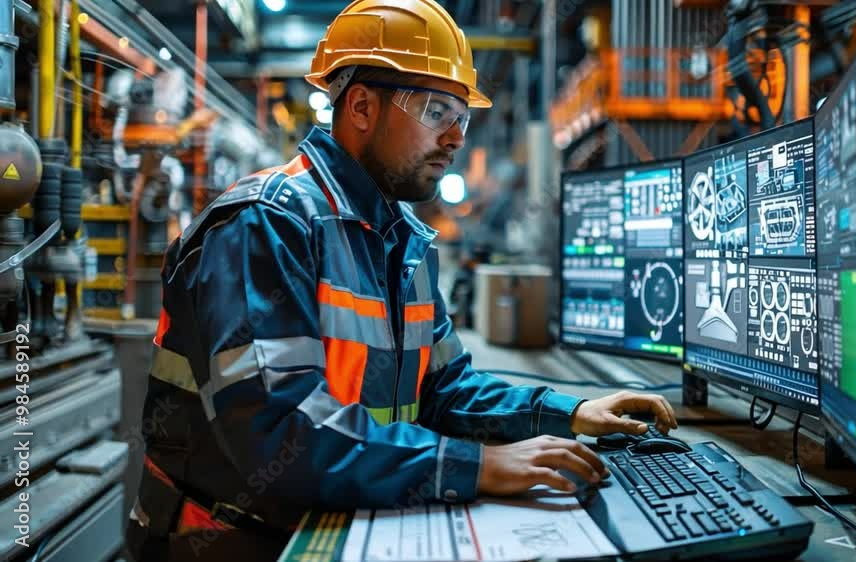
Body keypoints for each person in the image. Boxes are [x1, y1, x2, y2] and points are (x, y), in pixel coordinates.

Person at [128, 0, 676, 558]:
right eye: (437, 111)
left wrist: (568, 413)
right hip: (227, 539)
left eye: (461, 117)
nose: (456, 137)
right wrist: (476, 466)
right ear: (362, 106)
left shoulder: (402, 239)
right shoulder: (267, 223)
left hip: (335, 518)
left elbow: (442, 390)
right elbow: (277, 429)